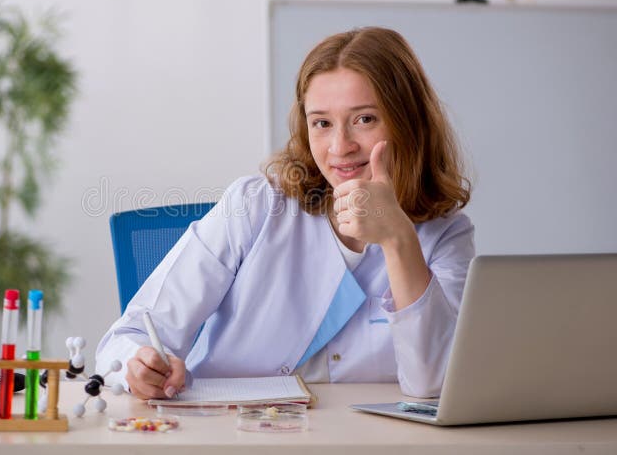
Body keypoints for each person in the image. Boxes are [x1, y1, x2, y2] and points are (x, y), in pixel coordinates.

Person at [95, 27, 474, 400]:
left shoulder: (445, 236)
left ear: (408, 123)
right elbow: (128, 338)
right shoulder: (255, 206)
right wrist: (140, 365)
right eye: (322, 123)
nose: (340, 146)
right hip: (230, 434)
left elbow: (434, 384)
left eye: (365, 119)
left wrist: (398, 239)